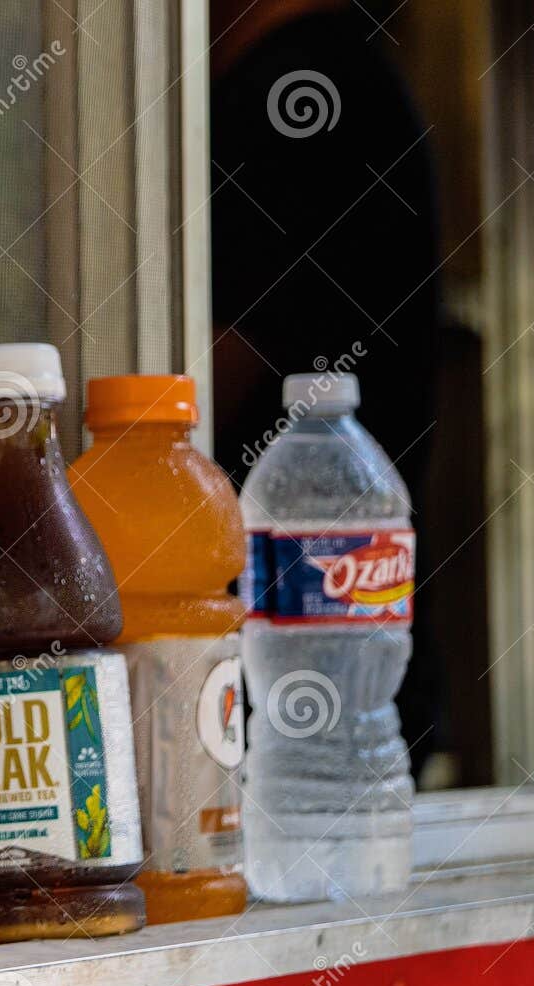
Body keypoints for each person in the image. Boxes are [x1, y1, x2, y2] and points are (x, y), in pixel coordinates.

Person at [210, 0, 441, 773]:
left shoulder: (285, 92)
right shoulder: (356, 75)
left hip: (275, 691)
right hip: (330, 703)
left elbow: (205, 361)